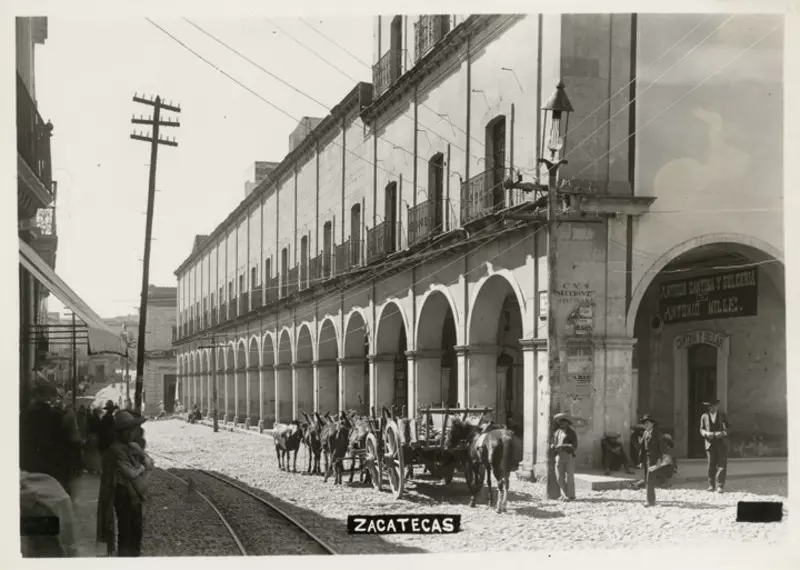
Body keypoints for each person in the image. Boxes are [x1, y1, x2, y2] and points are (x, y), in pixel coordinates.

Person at [96, 411, 149, 557]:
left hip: (135, 496)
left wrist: (142, 455)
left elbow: (150, 464)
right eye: (130, 431)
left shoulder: (131, 447)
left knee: (136, 533)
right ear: (122, 432)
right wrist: (142, 466)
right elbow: (131, 473)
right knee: (126, 534)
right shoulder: (115, 450)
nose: (133, 434)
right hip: (123, 496)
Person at [700, 399, 730, 493]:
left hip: (721, 443)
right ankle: (711, 485)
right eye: (710, 406)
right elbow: (701, 429)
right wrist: (706, 433)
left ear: (717, 406)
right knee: (711, 465)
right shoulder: (704, 416)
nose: (712, 408)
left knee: (722, 465)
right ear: (708, 407)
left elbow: (730, 428)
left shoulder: (723, 415)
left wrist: (723, 433)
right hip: (710, 443)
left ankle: (720, 486)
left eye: (714, 406)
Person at [550, 412, 577, 501]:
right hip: (558, 455)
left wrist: (563, 446)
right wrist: (553, 445)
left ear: (567, 423)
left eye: (563, 422)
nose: (561, 423)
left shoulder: (572, 433)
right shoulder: (557, 432)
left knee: (570, 476)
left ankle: (571, 495)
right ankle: (565, 493)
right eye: (560, 422)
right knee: (559, 476)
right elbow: (553, 442)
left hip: (568, 455)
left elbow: (574, 446)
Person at [637, 414, 662, 507]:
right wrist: (640, 461)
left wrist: (659, 459)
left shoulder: (657, 433)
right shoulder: (645, 433)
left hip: (654, 459)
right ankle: (652, 499)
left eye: (647, 423)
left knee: (649, 479)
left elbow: (661, 448)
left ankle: (649, 501)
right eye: (644, 423)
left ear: (652, 424)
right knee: (647, 480)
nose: (646, 425)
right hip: (646, 459)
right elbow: (642, 448)